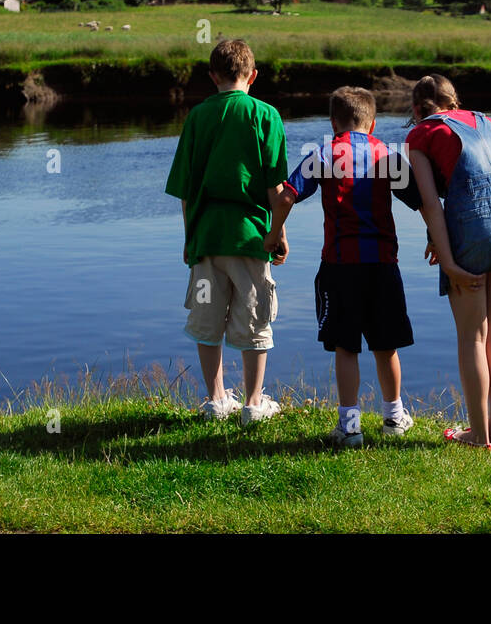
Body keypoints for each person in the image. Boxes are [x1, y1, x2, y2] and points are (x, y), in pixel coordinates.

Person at [263, 86, 421, 447]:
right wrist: (436, 238)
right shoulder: (387, 154)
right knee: (386, 345)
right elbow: (421, 199)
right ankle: (394, 417)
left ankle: (350, 426)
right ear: (373, 121)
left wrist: (273, 235)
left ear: (333, 122)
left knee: (346, 347)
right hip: (383, 264)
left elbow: (287, 194)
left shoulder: (324, 153)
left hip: (340, 265)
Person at [405, 74, 491, 449]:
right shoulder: (490, 124)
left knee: (472, 336)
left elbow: (431, 202)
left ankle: (477, 435)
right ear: (455, 102)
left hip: (473, 232)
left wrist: (448, 261)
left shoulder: (420, 135)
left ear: (417, 110)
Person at [164, 39, 289, 426]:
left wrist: (189, 239)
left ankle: (216, 399)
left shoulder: (197, 117)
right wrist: (279, 233)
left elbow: (186, 190)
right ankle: (253, 403)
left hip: (205, 240)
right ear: (252, 75)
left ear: (212, 76)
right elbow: (278, 191)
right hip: (250, 239)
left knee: (208, 318)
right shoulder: (266, 115)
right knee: (253, 319)